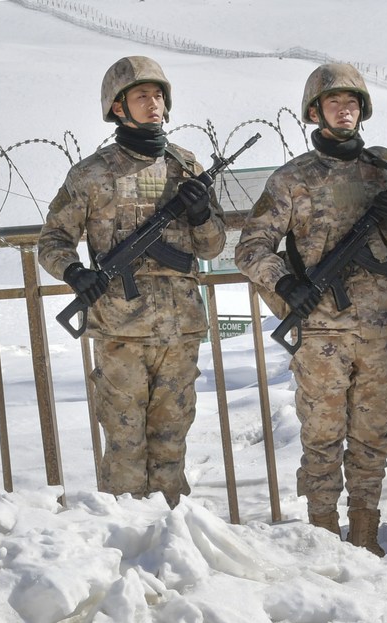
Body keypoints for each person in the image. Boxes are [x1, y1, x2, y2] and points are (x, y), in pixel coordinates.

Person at [234, 63, 387, 556]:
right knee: (321, 437)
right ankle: (322, 540)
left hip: (380, 327)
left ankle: (365, 539)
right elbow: (251, 247)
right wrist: (285, 284)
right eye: (334, 103)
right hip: (321, 330)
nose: (345, 110)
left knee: (370, 438)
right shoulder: (294, 179)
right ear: (314, 111)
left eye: (352, 102)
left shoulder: (383, 171)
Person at [37, 55, 226, 508]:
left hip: (180, 330)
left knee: (171, 443)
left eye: (159, 94)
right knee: (125, 446)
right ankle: (124, 547)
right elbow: (53, 240)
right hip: (120, 330)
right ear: (118, 107)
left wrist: (201, 213)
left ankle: (172, 542)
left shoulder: (187, 166)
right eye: (142, 95)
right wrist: (75, 272)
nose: (154, 102)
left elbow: (214, 246)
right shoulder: (92, 173)